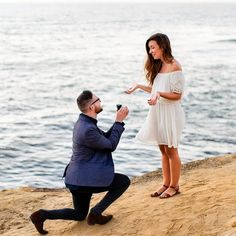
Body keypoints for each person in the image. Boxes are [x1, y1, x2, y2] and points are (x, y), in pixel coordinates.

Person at [30, 90, 130, 234]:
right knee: (123, 181)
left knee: (79, 214)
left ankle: (41, 215)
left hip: (75, 179)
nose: (101, 102)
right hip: (84, 180)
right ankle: (96, 213)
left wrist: (117, 123)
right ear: (91, 107)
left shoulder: (84, 122)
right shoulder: (88, 129)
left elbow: (104, 140)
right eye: (98, 100)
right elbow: (110, 145)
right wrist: (118, 122)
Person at [126, 33, 185, 199]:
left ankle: (174, 186)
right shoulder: (159, 65)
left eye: (152, 47)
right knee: (163, 150)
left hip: (171, 113)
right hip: (158, 111)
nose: (150, 51)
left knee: (171, 150)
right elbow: (155, 89)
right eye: (149, 48)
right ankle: (166, 183)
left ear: (162, 46)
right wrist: (138, 86)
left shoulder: (175, 66)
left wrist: (159, 94)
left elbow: (177, 95)